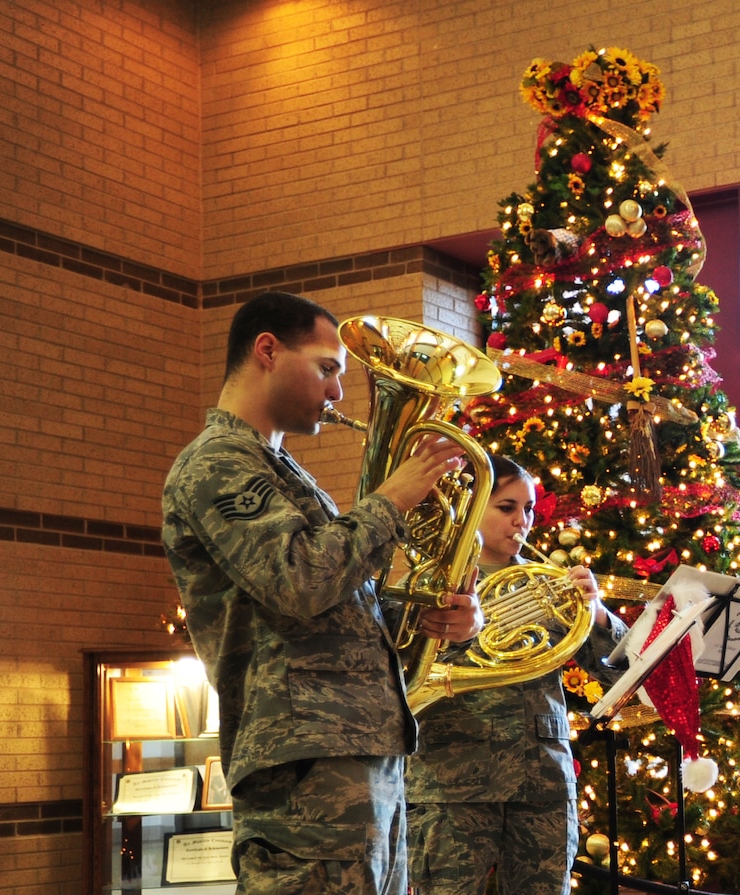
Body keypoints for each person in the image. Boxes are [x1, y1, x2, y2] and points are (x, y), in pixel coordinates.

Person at [161, 290, 484, 894]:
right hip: (305, 767)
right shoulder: (215, 464)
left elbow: (335, 610)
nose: (338, 391)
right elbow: (299, 581)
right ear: (267, 351)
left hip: (357, 752)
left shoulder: (282, 469)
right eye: (328, 367)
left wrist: (436, 617)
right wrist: (393, 499)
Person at [406, 455, 628, 894]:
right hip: (451, 778)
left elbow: (614, 673)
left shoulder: (551, 585)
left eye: (527, 509)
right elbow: (403, 669)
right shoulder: (427, 583)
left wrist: (598, 613)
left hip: (541, 776)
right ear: (470, 509)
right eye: (506, 508)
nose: (521, 521)